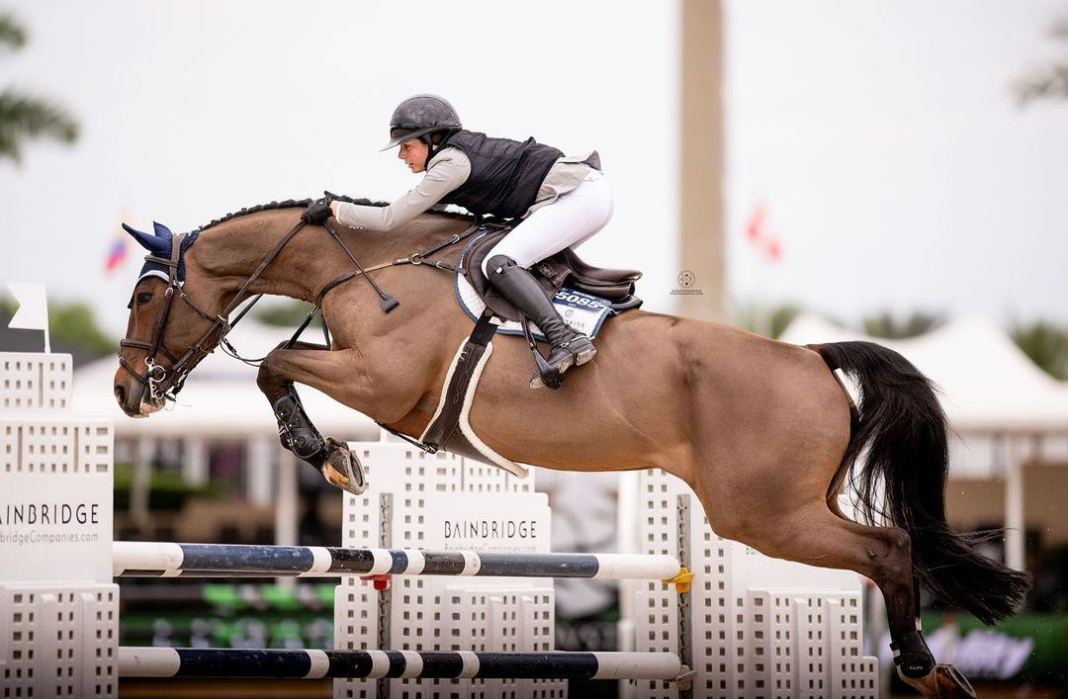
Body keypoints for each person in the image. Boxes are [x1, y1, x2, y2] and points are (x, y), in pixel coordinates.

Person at [304, 94, 613, 389]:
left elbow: (390, 219)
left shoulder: (449, 165)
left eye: (407, 146)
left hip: (577, 195)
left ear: (432, 140)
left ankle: (564, 337)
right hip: (579, 195)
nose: (401, 155)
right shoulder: (450, 162)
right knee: (519, 262)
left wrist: (335, 209)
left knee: (500, 263)